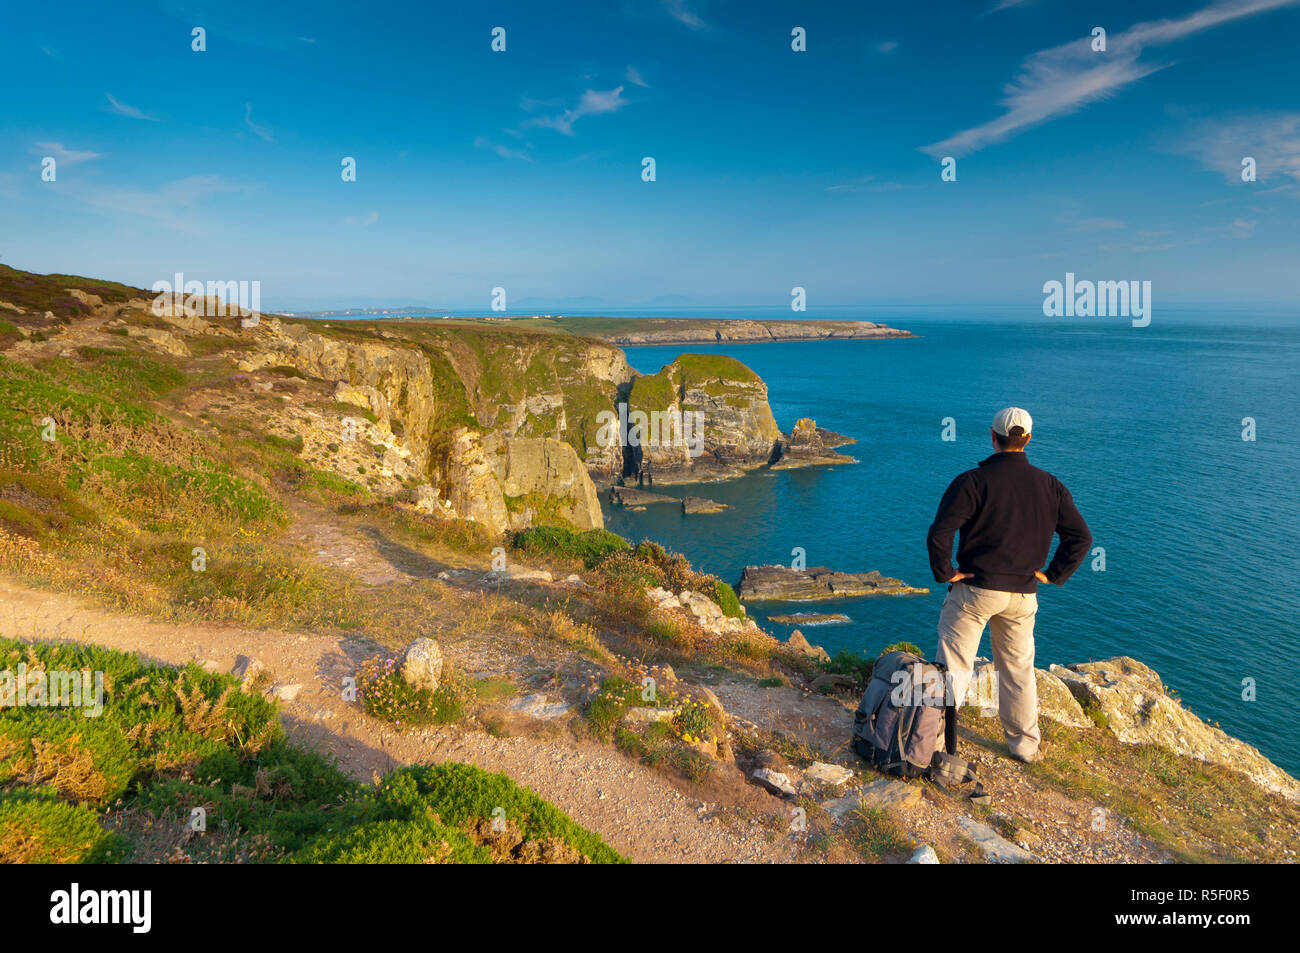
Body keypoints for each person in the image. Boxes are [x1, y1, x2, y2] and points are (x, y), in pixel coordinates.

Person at [926, 407, 1092, 763]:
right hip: (1022, 595)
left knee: (954, 668)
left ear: (992, 436)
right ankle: (1025, 747)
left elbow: (940, 532)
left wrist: (947, 572)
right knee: (1017, 672)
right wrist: (1053, 573)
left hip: (975, 590)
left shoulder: (972, 481)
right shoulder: (1051, 486)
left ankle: (934, 742)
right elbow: (1080, 537)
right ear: (1028, 439)